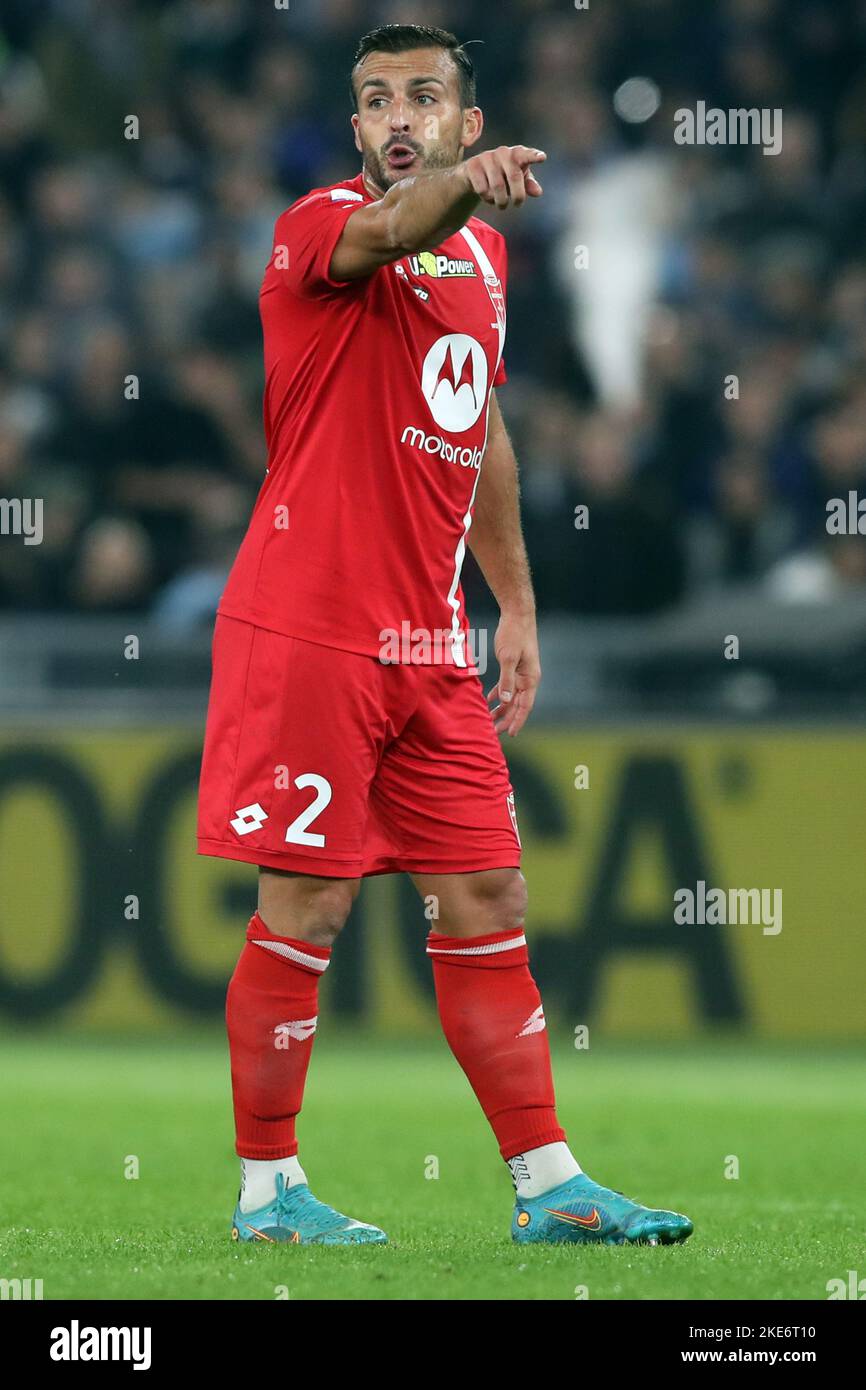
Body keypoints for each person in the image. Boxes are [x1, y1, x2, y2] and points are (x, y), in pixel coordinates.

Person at [197, 22, 692, 1248]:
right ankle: (268, 1193)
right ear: (356, 130)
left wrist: (512, 603)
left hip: (429, 646)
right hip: (308, 625)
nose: (396, 116)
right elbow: (393, 226)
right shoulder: (320, 226)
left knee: (486, 889)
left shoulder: (482, 260)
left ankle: (549, 1183)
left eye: (424, 97)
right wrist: (458, 186)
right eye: (374, 101)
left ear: (468, 119)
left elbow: (479, 436)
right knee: (305, 909)